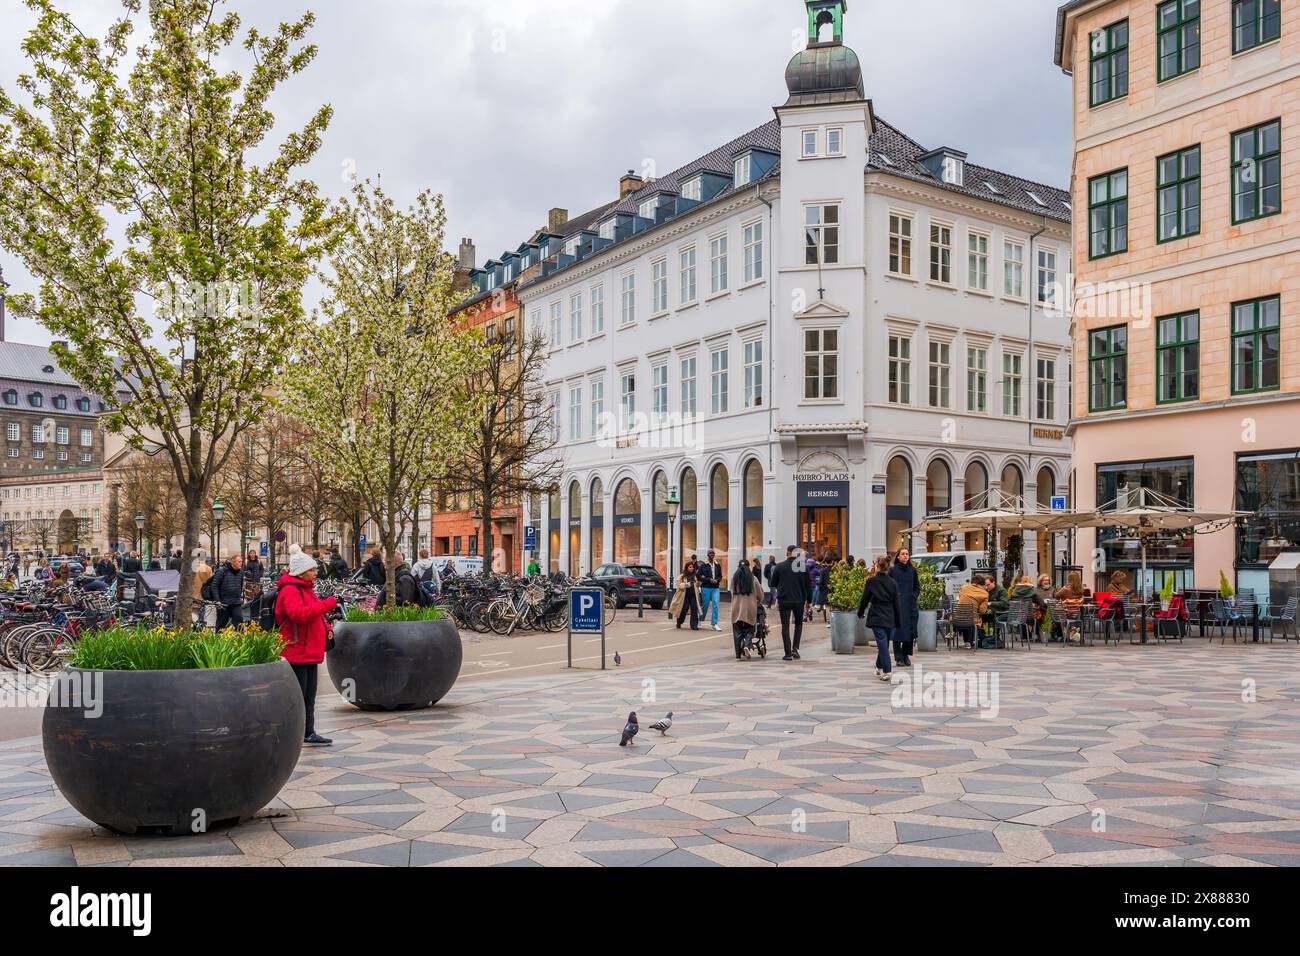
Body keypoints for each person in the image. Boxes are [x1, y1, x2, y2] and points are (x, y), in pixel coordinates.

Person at [276, 544, 337, 746]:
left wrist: (326, 625)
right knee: (300, 697)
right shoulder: (291, 591)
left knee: (309, 696)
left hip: (308, 650)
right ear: (301, 573)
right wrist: (327, 605)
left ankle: (308, 732)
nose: (315, 572)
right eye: (311, 570)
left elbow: (313, 613)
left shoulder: (305, 589)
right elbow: (299, 615)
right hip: (297, 650)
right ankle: (298, 732)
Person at [858, 555, 901, 682]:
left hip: (877, 614)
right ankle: (878, 666)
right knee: (884, 643)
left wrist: (860, 612)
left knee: (883, 643)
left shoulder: (871, 581)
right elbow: (897, 603)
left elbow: (865, 599)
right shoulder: (893, 582)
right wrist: (898, 620)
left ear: (877, 566)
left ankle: (887, 670)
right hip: (890, 615)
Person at [769, 546, 812, 661]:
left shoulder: (779, 566)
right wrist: (809, 601)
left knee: (785, 625)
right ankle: (795, 649)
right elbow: (809, 586)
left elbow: (772, 583)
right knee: (798, 624)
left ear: (787, 553)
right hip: (799, 600)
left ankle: (787, 653)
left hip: (784, 600)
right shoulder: (803, 567)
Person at [889, 547, 921, 668]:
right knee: (898, 632)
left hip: (911, 605)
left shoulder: (912, 570)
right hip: (897, 605)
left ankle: (906, 654)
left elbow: (917, 587)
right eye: (903, 554)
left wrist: (913, 596)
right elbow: (889, 586)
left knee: (911, 631)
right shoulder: (893, 570)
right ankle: (898, 658)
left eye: (907, 554)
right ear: (898, 556)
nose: (905, 556)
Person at [729, 559, 762, 659]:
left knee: (737, 631)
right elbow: (760, 594)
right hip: (750, 608)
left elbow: (731, 592)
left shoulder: (734, 578)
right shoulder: (754, 579)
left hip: (736, 608)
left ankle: (738, 654)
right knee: (750, 629)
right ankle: (747, 645)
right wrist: (758, 602)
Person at [210, 553, 247, 630]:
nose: (241, 563)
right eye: (239, 561)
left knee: (239, 621)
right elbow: (214, 586)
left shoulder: (241, 572)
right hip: (223, 603)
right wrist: (217, 600)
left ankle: (240, 640)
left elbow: (240, 586)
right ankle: (218, 640)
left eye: (241, 561)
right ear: (233, 562)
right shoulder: (222, 571)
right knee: (221, 624)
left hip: (236, 602)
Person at [1009, 574, 1048, 641]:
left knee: (1024, 612)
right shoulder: (1032, 590)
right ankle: (1040, 635)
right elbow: (1041, 602)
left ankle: (1025, 635)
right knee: (1041, 613)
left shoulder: (1015, 590)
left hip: (1016, 615)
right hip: (1029, 615)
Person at [956, 574, 991, 648]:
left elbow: (960, 598)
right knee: (973, 618)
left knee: (965, 614)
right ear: (981, 584)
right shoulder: (984, 593)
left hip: (956, 618)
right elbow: (982, 611)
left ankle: (966, 642)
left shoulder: (963, 587)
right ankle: (974, 641)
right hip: (972, 620)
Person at [697, 550, 723, 632]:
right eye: (710, 554)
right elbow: (698, 576)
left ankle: (714, 624)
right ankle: (700, 619)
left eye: (713, 554)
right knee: (705, 604)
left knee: (716, 604)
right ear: (708, 556)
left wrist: (717, 580)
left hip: (715, 587)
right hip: (706, 587)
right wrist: (709, 579)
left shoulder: (717, 565)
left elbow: (720, 576)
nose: (712, 555)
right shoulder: (703, 565)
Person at [675, 557, 702, 630]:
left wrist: (699, 583)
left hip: (693, 595)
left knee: (694, 609)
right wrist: (688, 584)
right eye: (690, 567)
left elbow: (697, 585)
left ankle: (694, 625)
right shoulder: (682, 576)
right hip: (685, 595)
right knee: (684, 609)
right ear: (687, 568)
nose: (692, 568)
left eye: (692, 567)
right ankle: (679, 622)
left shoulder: (695, 576)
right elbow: (679, 585)